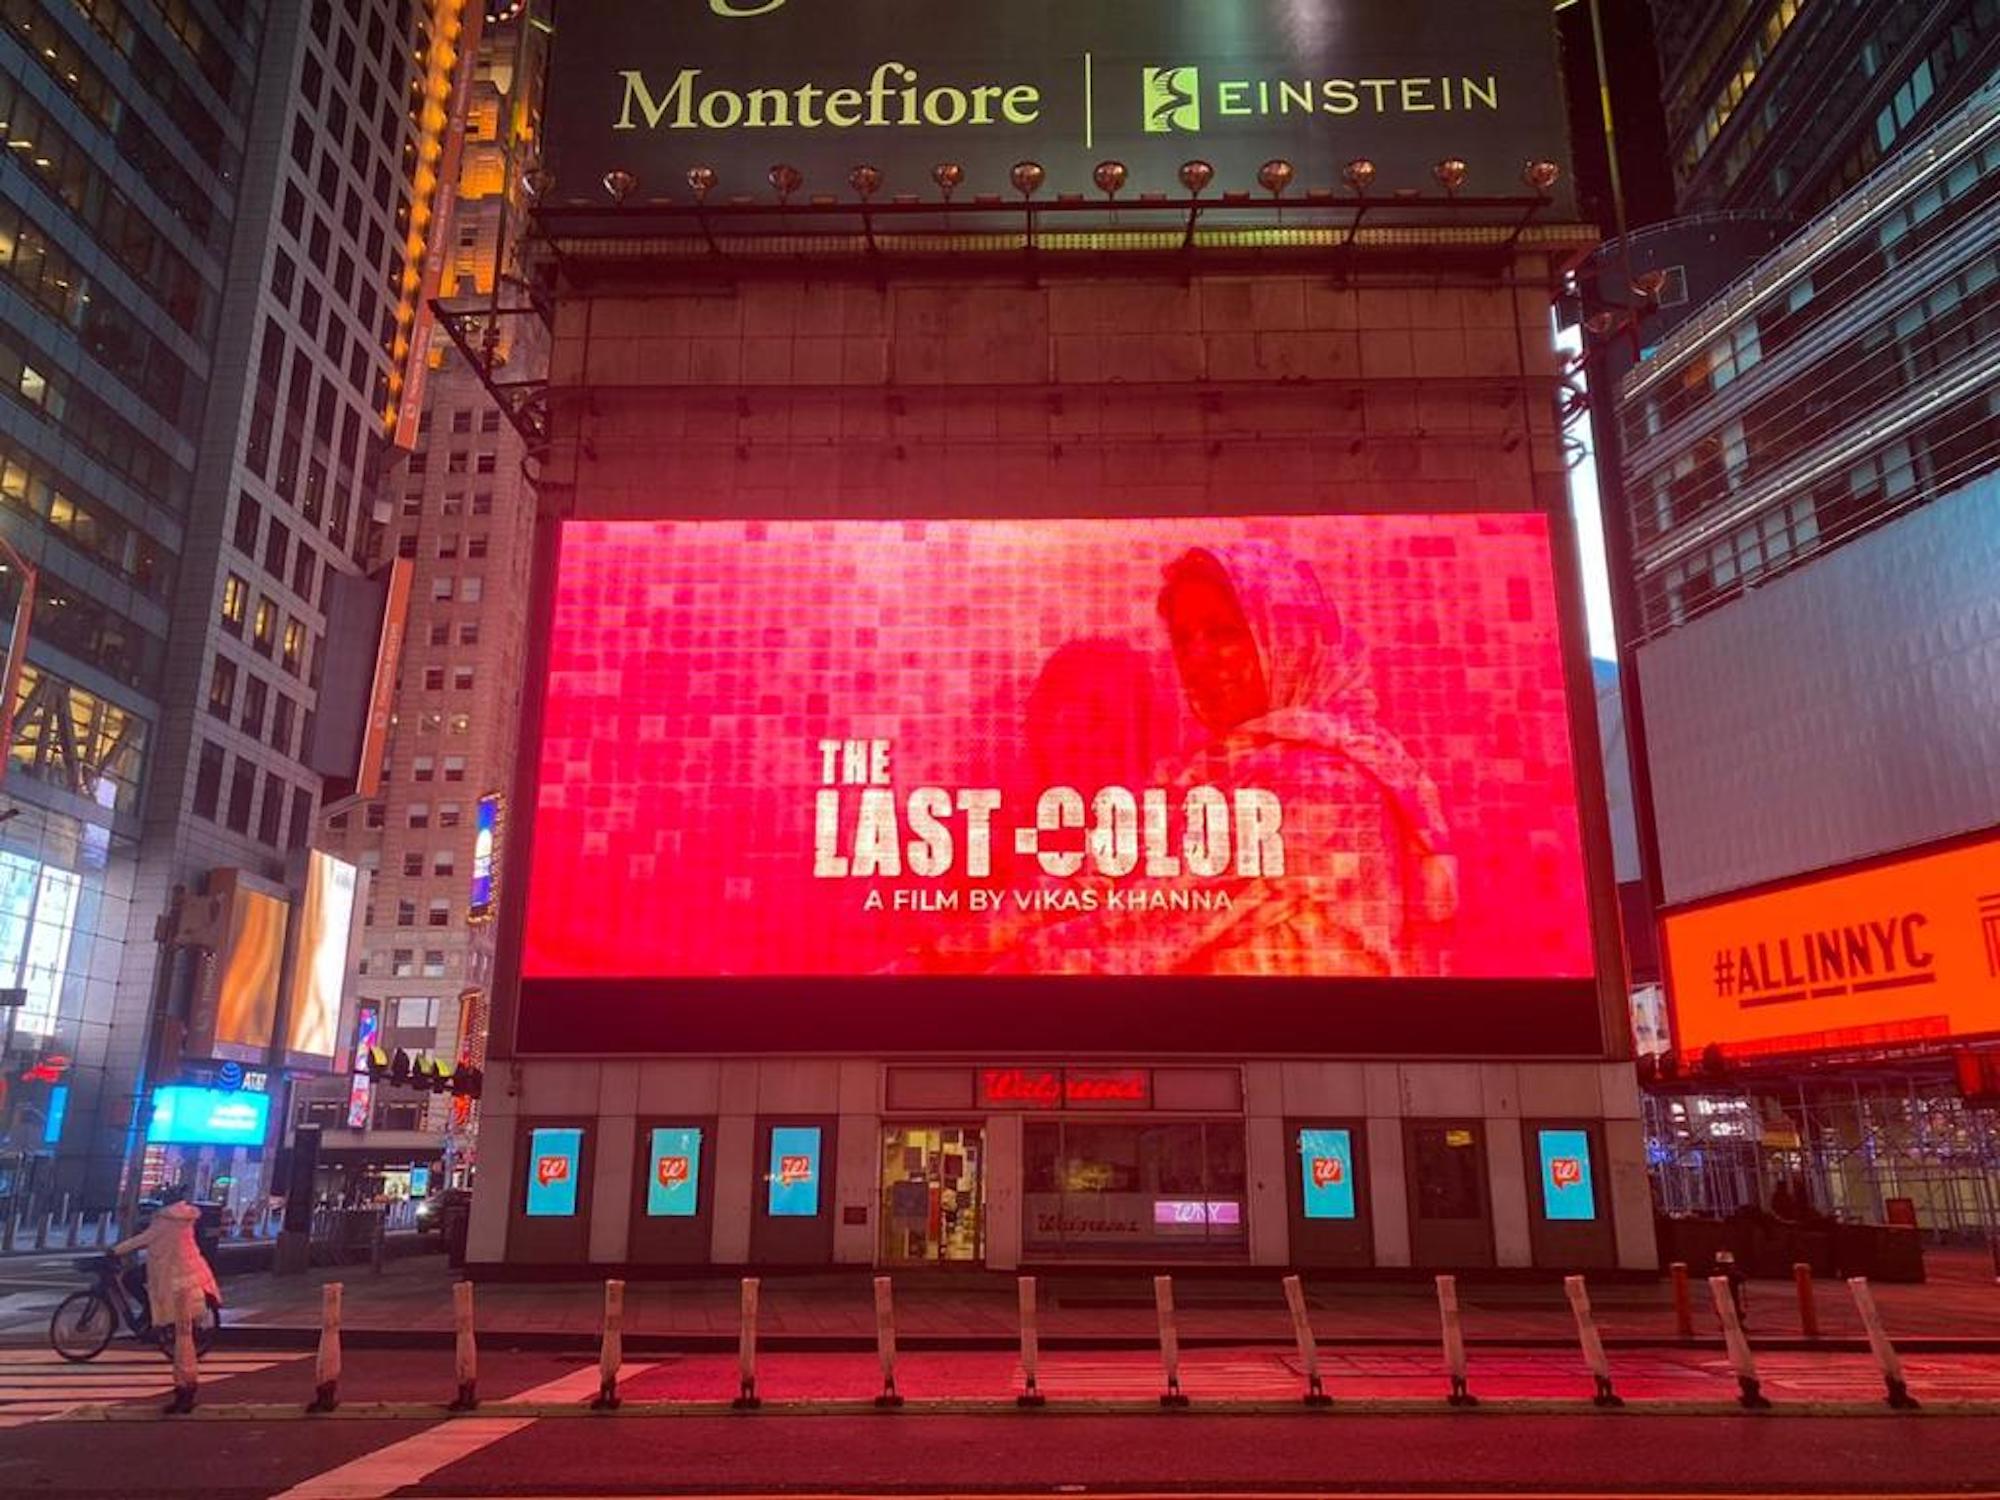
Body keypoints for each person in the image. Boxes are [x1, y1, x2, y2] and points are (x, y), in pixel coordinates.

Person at [986, 540, 1458, 976]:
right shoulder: (1220, 777)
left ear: (1289, 637)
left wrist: (970, 970)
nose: (1199, 658)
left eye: (1223, 632)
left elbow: (1133, 928)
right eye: (1184, 639)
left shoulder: (1326, 784)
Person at [113, 1187, 221, 1334]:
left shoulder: (166, 1220)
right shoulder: (186, 1218)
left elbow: (144, 1238)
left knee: (129, 1279)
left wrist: (116, 1250)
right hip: (188, 1265)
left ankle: (149, 1310)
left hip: (167, 1266)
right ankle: (150, 1313)